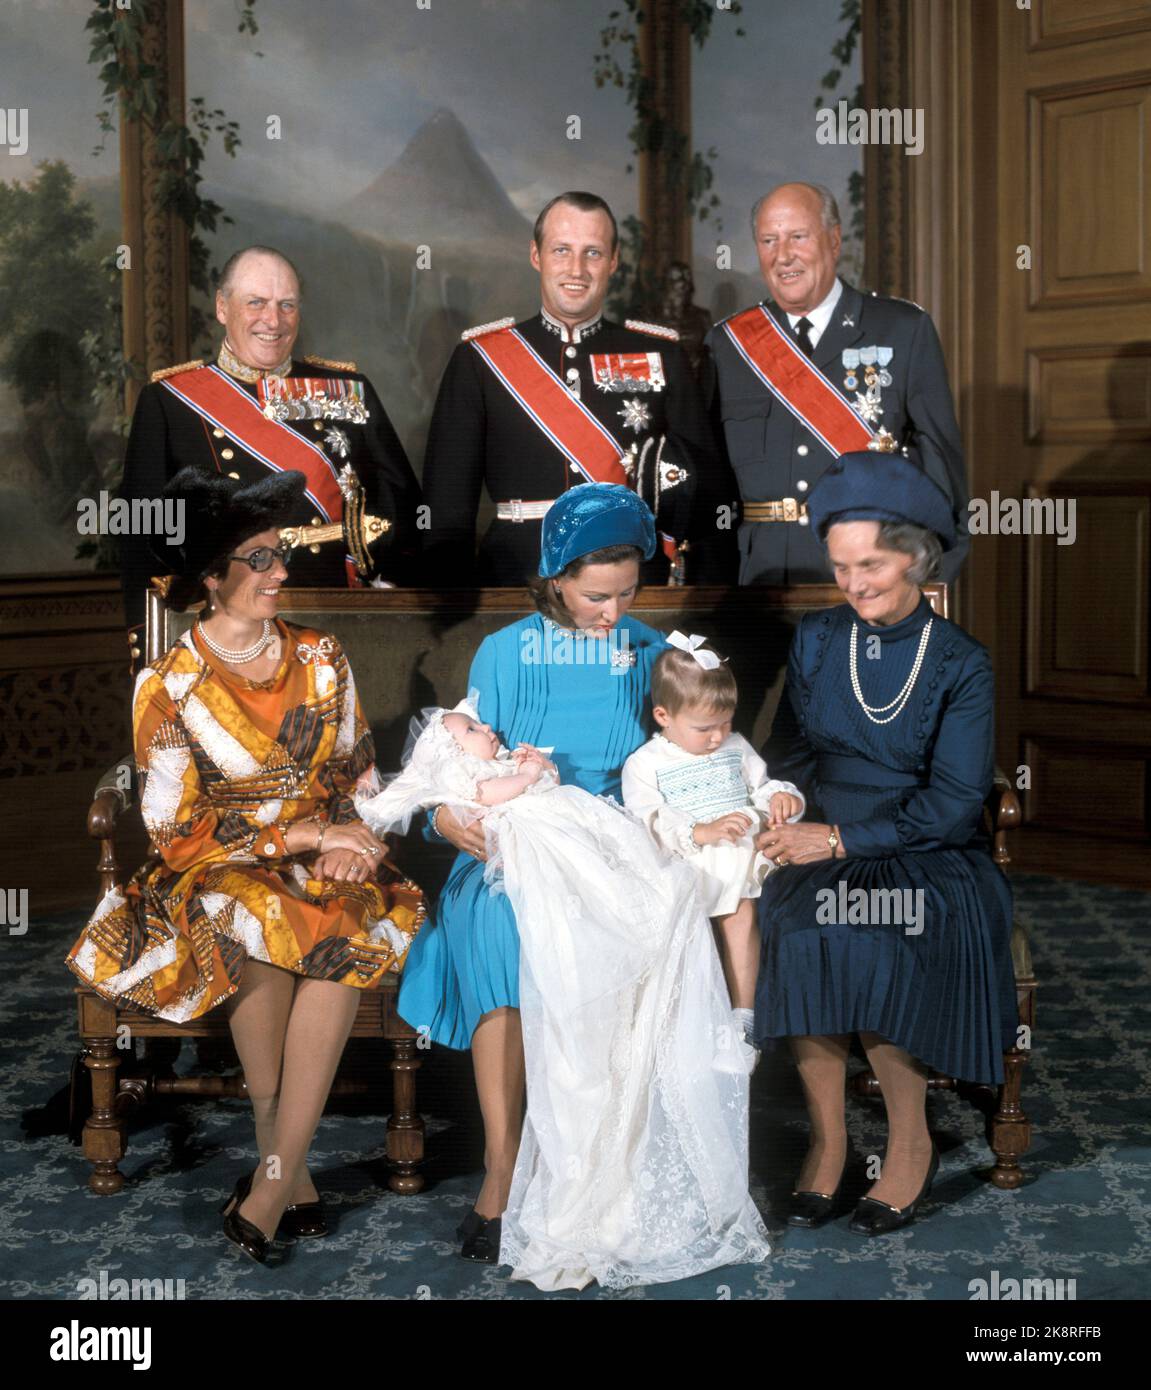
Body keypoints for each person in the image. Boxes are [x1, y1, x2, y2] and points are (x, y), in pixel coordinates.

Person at [66, 467, 426, 1262]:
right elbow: (173, 828)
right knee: (250, 910)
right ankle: (284, 1174)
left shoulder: (322, 656)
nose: (280, 573)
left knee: (346, 918)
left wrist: (347, 837)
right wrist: (290, 842)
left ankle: (272, 1180)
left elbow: (359, 773)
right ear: (212, 578)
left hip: (322, 859)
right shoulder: (168, 684)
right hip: (217, 868)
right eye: (259, 559)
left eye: (279, 555)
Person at [356, 694, 770, 1290]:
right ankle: (502, 1165)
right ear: (555, 590)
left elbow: (697, 750)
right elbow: (443, 785)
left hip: (604, 832)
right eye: (594, 594)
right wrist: (447, 815)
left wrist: (541, 774)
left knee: (644, 909)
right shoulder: (502, 661)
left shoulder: (650, 656)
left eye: (622, 595)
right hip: (501, 847)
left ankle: (601, 1143)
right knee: (506, 919)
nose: (609, 609)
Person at [751, 449, 1017, 1236]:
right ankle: (830, 1144)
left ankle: (907, 1146)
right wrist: (781, 805)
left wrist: (834, 840)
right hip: (820, 833)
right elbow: (789, 751)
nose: (854, 585)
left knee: (876, 934)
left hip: (923, 851)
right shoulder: (817, 638)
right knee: (792, 929)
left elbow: (953, 803)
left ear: (915, 556)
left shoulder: (962, 662)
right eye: (839, 568)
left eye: (871, 565)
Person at [118, 244, 423, 667]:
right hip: (226, 628)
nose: (273, 320)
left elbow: (403, 510)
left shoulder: (348, 390)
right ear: (223, 307)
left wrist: (391, 602)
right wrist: (152, 642)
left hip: (338, 616)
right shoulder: (171, 402)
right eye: (256, 303)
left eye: (287, 305)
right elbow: (141, 537)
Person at [420, 192, 732, 587]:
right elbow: (446, 514)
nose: (577, 269)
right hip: (516, 584)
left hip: (634, 588)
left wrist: (703, 606)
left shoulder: (661, 354)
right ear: (536, 255)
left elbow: (705, 493)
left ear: (614, 261)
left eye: (593, 253)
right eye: (561, 250)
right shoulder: (479, 360)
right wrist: (451, 621)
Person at [704, 182, 970, 585]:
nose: (783, 256)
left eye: (798, 236)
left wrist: (929, 588)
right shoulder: (728, 344)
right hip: (758, 583)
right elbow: (710, 485)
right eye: (768, 240)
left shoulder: (902, 329)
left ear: (833, 239)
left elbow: (942, 478)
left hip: (868, 582)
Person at [622, 634, 805, 1066]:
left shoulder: (735, 747)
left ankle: (744, 1017)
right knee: (682, 924)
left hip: (739, 855)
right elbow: (649, 819)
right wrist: (701, 830)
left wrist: (781, 799)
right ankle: (687, 1021)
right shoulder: (646, 763)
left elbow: (761, 789)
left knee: (740, 913)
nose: (716, 736)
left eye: (724, 723)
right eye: (704, 728)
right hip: (687, 859)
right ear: (663, 715)